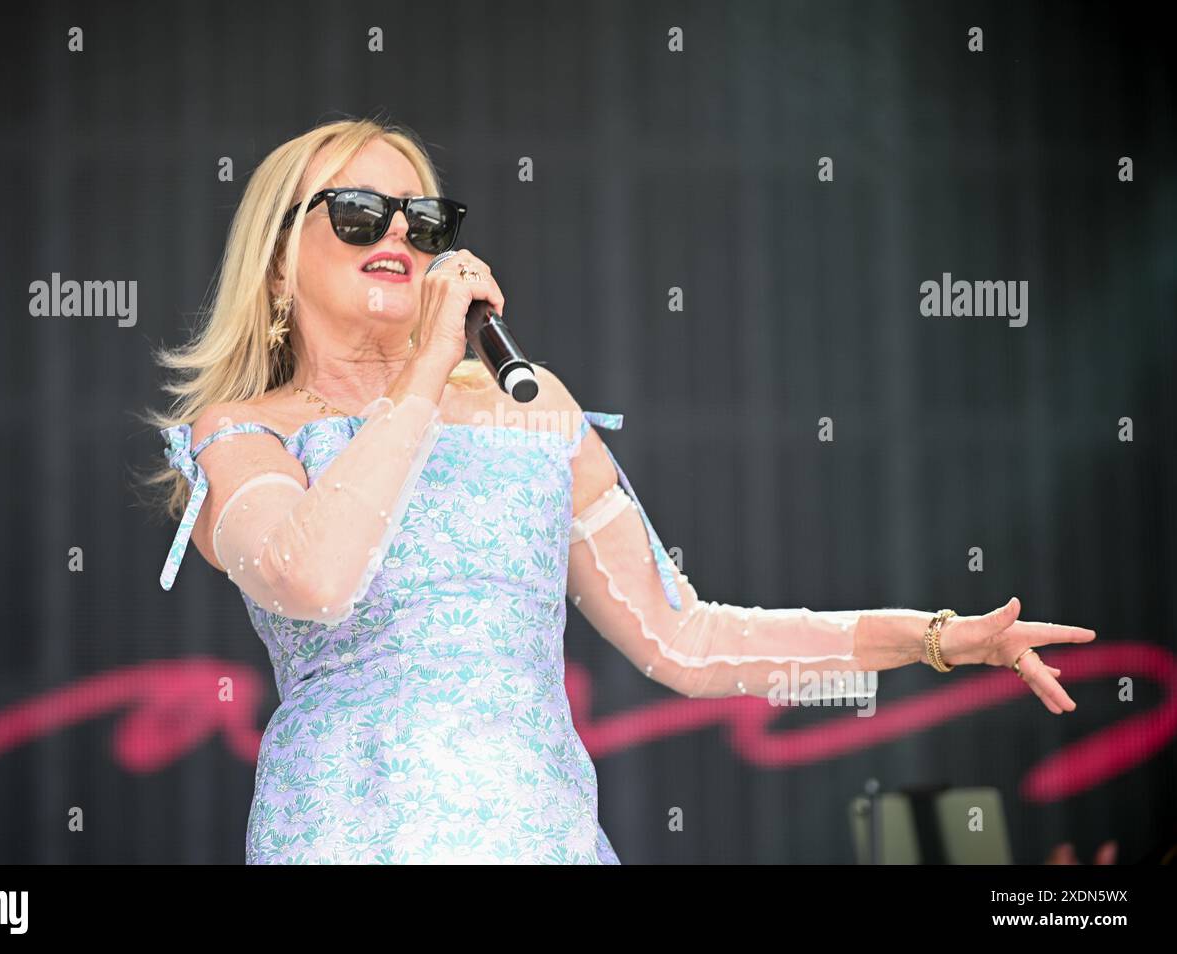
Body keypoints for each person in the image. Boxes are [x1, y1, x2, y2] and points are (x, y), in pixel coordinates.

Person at [145, 116, 1097, 864]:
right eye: (357, 212)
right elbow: (312, 577)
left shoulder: (530, 411)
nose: (396, 232)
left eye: (421, 220)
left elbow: (682, 636)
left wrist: (929, 638)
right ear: (277, 262)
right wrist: (424, 372)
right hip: (348, 839)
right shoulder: (243, 432)